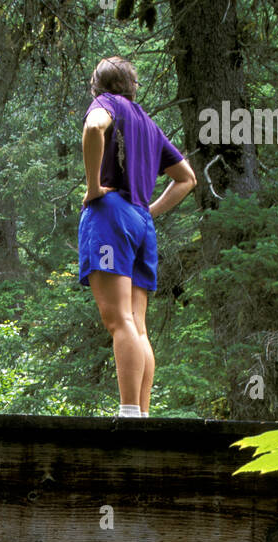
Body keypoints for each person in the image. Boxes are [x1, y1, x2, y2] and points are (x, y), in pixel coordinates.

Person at [79, 56, 197, 417]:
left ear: (99, 85)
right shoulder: (148, 123)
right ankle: (141, 415)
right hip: (140, 223)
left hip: (112, 216)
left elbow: (93, 129)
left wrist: (94, 187)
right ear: (133, 86)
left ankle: (129, 412)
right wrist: (149, 212)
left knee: (119, 321)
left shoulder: (106, 105)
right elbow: (187, 178)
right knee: (137, 324)